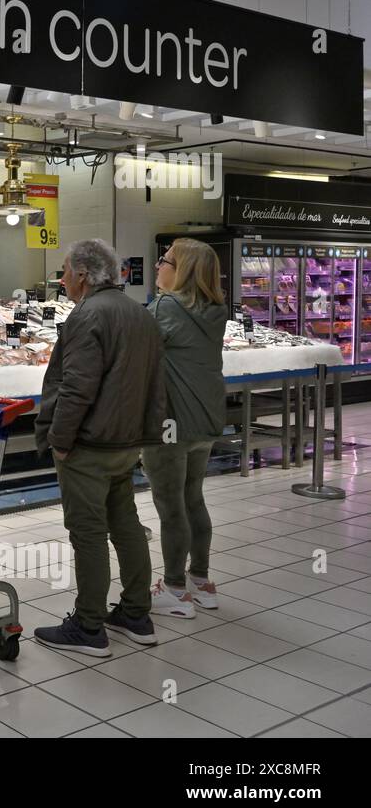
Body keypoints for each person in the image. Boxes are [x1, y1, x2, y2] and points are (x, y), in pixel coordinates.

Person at [34, 239, 164, 657]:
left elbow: (76, 387)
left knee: (87, 533)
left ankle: (89, 627)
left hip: (90, 444)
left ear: (84, 276)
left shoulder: (88, 315)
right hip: (128, 441)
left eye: (66, 271)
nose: (62, 278)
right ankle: (135, 613)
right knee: (125, 524)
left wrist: (60, 440)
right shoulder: (138, 312)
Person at [141, 239, 227, 618]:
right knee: (194, 498)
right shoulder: (215, 310)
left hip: (170, 422)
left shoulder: (166, 307)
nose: (158, 265)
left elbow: (136, 353)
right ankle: (201, 581)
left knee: (170, 505)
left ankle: (174, 589)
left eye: (166, 260)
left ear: (184, 270)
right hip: (205, 419)